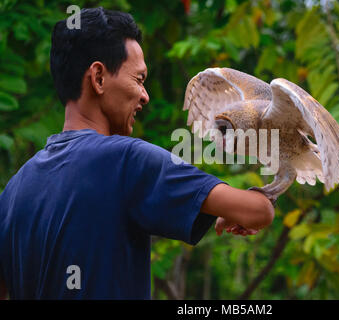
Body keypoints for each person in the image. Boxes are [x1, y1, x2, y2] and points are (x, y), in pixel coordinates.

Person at [0, 7, 274, 299]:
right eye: (139, 80)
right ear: (98, 78)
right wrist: (235, 207)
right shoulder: (125, 160)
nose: (145, 95)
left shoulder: (14, 191)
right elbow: (258, 212)